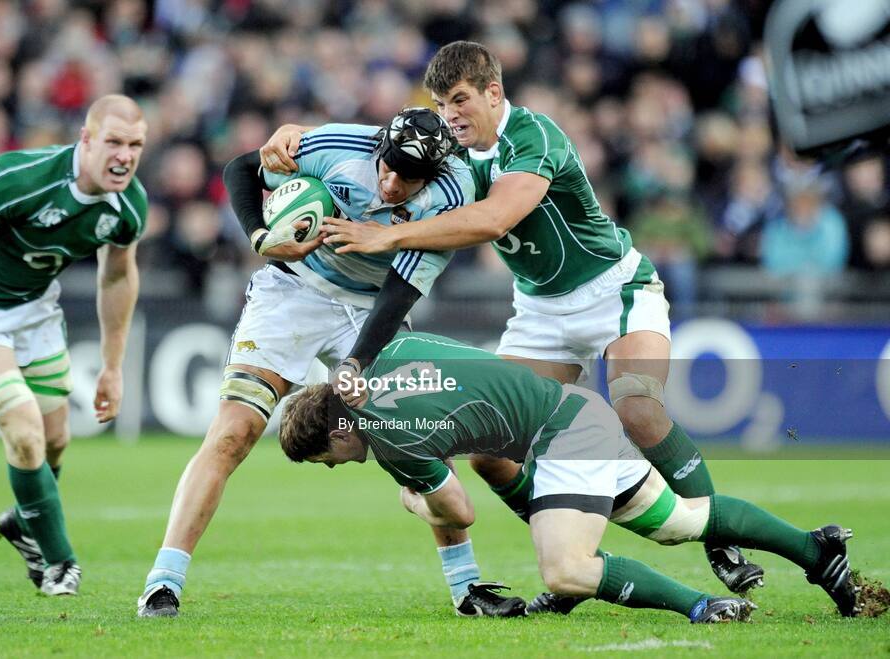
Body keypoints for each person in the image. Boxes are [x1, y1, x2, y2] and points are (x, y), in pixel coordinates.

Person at [259, 41, 764, 608]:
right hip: (541, 308)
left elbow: (496, 217)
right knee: (494, 448)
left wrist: (390, 235)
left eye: (460, 100)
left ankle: (720, 542)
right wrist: (298, 135)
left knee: (636, 407)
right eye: (441, 104)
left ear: (493, 94)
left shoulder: (533, 137)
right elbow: (388, 143)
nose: (450, 115)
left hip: (610, 290)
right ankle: (569, 561)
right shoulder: (449, 155)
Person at [137, 108, 525, 619]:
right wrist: (259, 236)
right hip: (292, 290)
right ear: (377, 148)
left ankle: (467, 589)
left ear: (431, 175)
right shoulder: (338, 145)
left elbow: (400, 290)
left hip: (372, 304)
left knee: (417, 438)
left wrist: (358, 361)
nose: (390, 183)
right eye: (386, 167)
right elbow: (240, 169)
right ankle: (162, 583)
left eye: (407, 179)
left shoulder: (451, 196)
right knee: (233, 431)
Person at [279, 331, 863, 622]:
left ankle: (703, 607)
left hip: (563, 437)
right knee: (680, 523)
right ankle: (817, 551)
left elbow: (458, 512)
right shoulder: (387, 350)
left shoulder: (387, 440)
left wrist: (413, 500)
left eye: (322, 460)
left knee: (565, 570)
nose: (333, 468)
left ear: (334, 434)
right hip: (571, 411)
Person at [0, 94, 149, 595]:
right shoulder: (24, 176)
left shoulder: (128, 206)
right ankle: (60, 563)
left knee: (55, 440)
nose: (125, 156)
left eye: (136, 145)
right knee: (23, 429)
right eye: (114, 142)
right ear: (85, 139)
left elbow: (117, 277)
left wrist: (113, 365)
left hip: (35, 311)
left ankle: (23, 522)